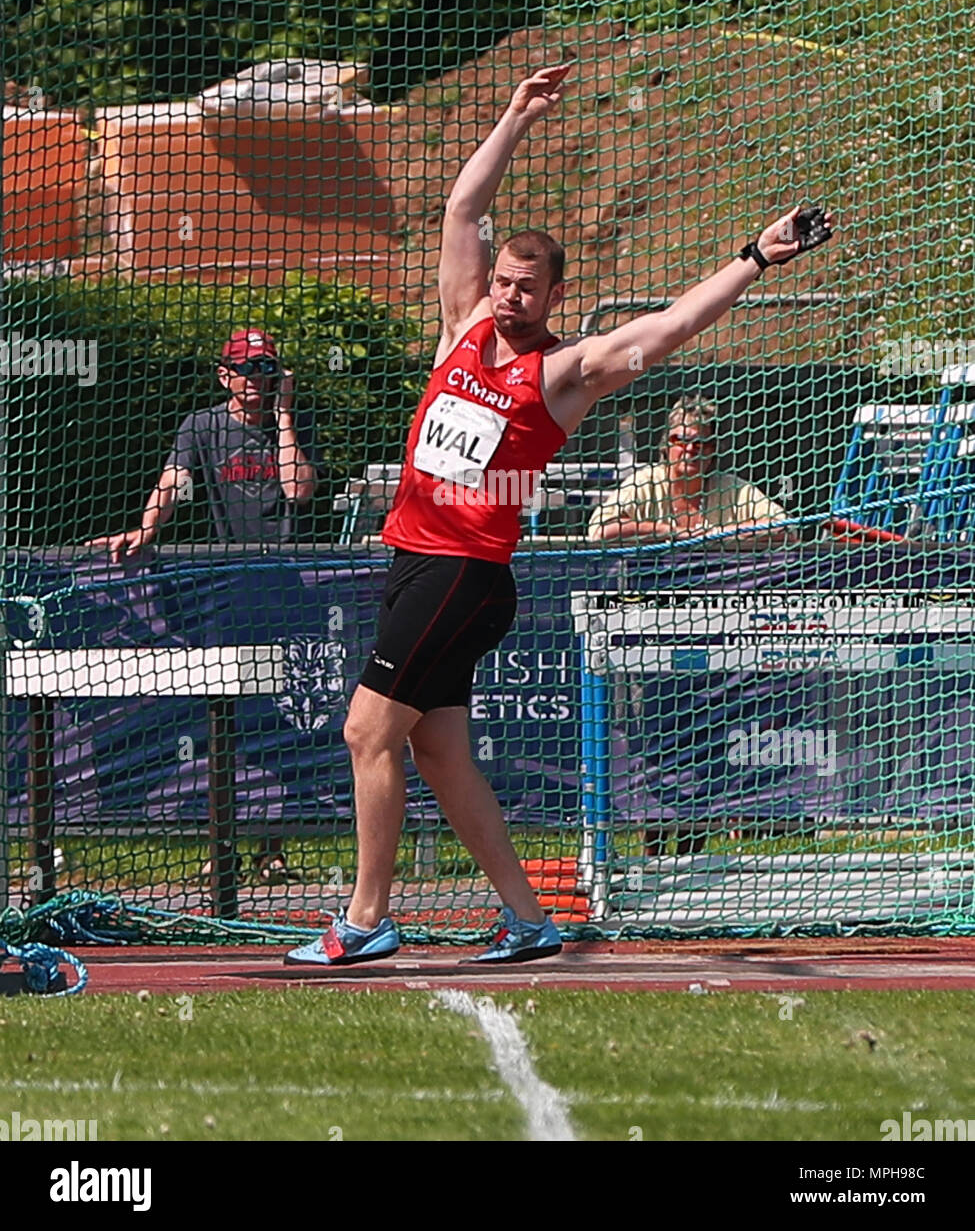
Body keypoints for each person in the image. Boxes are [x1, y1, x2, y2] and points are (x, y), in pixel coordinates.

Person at [284, 63, 833, 967]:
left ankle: (364, 917)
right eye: (502, 281)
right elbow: (462, 212)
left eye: (526, 288)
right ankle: (529, 920)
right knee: (438, 756)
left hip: (463, 574)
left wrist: (755, 255)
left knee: (364, 731)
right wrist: (512, 117)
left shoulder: (562, 372)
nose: (507, 295)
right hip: (414, 563)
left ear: (551, 297)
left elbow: (666, 329)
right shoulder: (461, 322)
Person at [89, 327, 320, 883]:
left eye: (266, 369)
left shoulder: (292, 423)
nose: (256, 380)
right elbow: (173, 480)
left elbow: (300, 491)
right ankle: (224, 851)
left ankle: (274, 850)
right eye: (246, 370)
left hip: (283, 590)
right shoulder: (204, 425)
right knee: (224, 723)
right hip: (226, 594)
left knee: (286, 724)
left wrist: (284, 417)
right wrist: (145, 529)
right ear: (226, 376)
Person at [587, 394, 797, 547]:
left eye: (700, 443)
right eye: (681, 440)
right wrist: (668, 532)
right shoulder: (644, 483)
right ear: (666, 445)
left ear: (712, 450)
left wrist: (718, 534)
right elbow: (600, 530)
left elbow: (785, 528)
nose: (690, 449)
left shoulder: (731, 488)